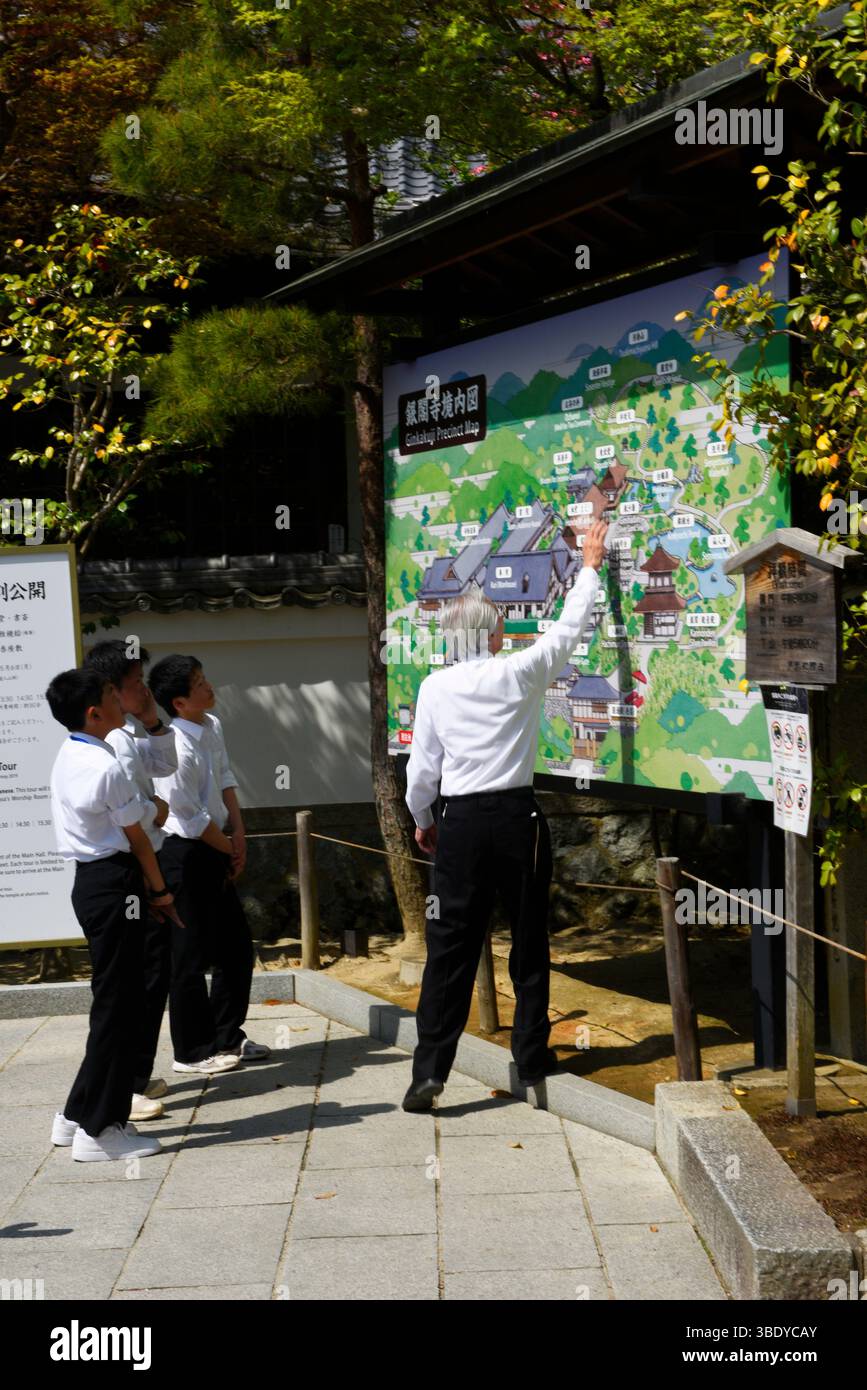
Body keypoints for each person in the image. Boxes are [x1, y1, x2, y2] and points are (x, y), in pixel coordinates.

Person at [402, 518, 609, 1112]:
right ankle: (530, 1052)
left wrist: (423, 818)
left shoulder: (435, 688)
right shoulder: (520, 673)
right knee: (528, 939)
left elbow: (422, 772)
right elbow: (567, 631)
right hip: (517, 820)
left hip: (460, 824)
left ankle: (428, 1073)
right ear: (492, 636)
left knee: (450, 950)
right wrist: (589, 563)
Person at [46, 668, 180, 1162]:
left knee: (113, 1003)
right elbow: (139, 838)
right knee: (120, 1008)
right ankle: (99, 1131)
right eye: (110, 693)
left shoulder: (73, 754)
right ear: (93, 712)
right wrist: (161, 892)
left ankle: (76, 1114)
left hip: (95, 884)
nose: (121, 699)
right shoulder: (105, 766)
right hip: (116, 882)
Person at [148, 655, 268, 1073]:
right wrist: (227, 847)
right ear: (179, 703)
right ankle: (191, 1050)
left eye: (204, 677)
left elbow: (226, 780)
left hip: (217, 843)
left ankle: (227, 1036)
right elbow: (189, 814)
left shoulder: (211, 726)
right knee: (188, 955)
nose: (208, 687)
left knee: (236, 948)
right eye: (199, 683)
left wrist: (240, 834)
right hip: (186, 853)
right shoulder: (171, 745)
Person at [83, 640, 179, 1121]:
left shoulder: (125, 732)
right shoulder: (110, 742)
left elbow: (165, 764)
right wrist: (157, 810)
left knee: (148, 976)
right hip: (130, 872)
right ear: (112, 691)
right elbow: (134, 814)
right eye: (137, 683)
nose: (144, 690)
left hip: (138, 868)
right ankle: (123, 1085)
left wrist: (154, 721)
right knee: (132, 982)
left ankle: (135, 1075)